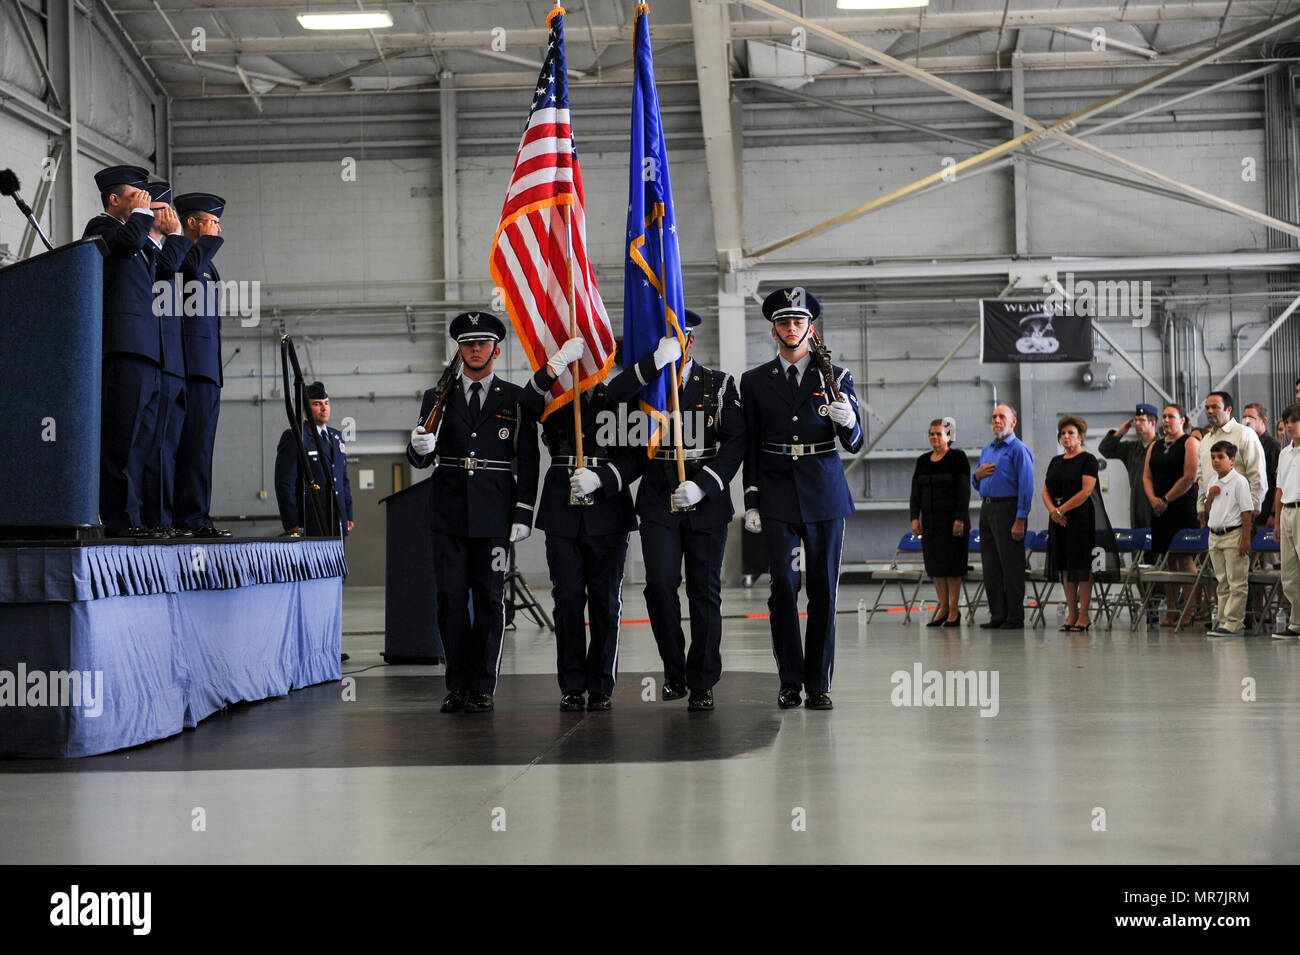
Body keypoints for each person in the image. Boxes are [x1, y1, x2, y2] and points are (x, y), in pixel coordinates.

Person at [606, 310, 745, 710]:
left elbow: (735, 443)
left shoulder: (718, 385)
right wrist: (652, 364)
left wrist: (704, 487)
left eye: (679, 338)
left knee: (705, 592)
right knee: (661, 586)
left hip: (706, 502)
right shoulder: (646, 383)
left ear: (691, 341)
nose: (674, 345)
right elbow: (613, 394)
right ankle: (674, 670)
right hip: (657, 497)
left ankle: (702, 680)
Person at [407, 313, 540, 714]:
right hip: (448, 514)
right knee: (449, 600)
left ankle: (483, 685)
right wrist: (419, 446)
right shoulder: (436, 397)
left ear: (496, 350)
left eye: (482, 343)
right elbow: (418, 458)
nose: (475, 349)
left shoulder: (514, 398)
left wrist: (523, 513)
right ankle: (457, 684)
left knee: (489, 599)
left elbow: (529, 461)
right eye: (468, 344)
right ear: (459, 350)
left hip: (495, 518)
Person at [740, 287, 863, 710]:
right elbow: (751, 445)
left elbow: (855, 442)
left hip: (824, 493)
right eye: (783, 322)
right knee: (783, 589)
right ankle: (790, 680)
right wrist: (751, 500)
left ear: (811, 327)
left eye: (798, 321)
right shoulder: (755, 381)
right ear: (773, 329)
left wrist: (847, 420)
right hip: (775, 493)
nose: (791, 328)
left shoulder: (836, 376)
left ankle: (819, 683)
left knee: (824, 590)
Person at [518, 334, 641, 713]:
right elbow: (524, 404)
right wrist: (553, 366)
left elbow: (640, 455)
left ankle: (601, 685)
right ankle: (572, 685)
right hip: (561, 508)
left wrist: (603, 480)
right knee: (567, 601)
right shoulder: (556, 395)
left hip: (608, 508)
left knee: (606, 603)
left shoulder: (623, 399)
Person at [83, 165, 163, 538]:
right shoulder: (102, 229)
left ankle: (135, 517)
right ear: (114, 200)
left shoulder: (137, 235)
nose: (145, 203)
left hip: (144, 349)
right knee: (120, 442)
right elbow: (127, 244)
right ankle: (116, 520)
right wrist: (143, 216)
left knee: (140, 444)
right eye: (137, 196)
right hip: (121, 347)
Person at [172, 192, 231, 537]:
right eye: (212, 222)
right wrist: (206, 241)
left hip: (208, 368)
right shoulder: (183, 255)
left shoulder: (206, 262)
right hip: (189, 365)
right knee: (188, 444)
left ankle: (198, 516)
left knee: (202, 448)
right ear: (192, 223)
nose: (219, 230)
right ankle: (185, 518)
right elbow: (188, 269)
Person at [142, 180, 194, 538]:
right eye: (166, 210)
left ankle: (167, 516)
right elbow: (164, 268)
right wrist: (177, 235)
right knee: (150, 446)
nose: (173, 217)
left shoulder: (166, 253)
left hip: (171, 361)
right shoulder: (150, 252)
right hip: (151, 360)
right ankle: (151, 517)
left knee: (169, 447)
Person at [1042, 416, 1115, 631]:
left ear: (1080, 437)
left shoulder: (1088, 460)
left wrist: (1061, 509)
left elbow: (1086, 491)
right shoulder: (1056, 461)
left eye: (1071, 433)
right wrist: (1053, 511)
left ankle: (1084, 615)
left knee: (1082, 566)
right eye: (1063, 433)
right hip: (1058, 518)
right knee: (1065, 566)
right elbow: (1046, 489)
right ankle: (1071, 614)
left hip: (1080, 517)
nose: (1066, 437)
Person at [971, 404, 1034, 629]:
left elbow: (1026, 486)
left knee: (1011, 566)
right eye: (994, 416)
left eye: (1002, 416)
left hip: (1009, 510)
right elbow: (977, 481)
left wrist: (1020, 518)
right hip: (987, 509)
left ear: (1013, 422)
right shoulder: (988, 450)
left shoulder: (1018, 449)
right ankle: (997, 615)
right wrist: (976, 476)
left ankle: (1014, 617)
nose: (996, 420)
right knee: (991, 566)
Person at [1143, 404, 1201, 626]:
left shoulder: (1190, 443)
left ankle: (1190, 610)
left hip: (1180, 507)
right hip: (1159, 508)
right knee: (1168, 560)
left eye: (1171, 416)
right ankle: (1172, 610)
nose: (1166, 420)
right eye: (1164, 417)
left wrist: (1166, 499)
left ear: (1183, 420)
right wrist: (1153, 500)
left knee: (1184, 558)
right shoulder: (1155, 446)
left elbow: (1190, 476)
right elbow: (1146, 477)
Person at [909, 416, 969, 627]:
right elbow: (915, 493)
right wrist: (914, 517)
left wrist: (960, 519)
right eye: (932, 434)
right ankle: (942, 607)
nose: (935, 437)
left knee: (952, 566)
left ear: (948, 437)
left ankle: (954, 610)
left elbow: (964, 492)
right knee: (936, 566)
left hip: (953, 520)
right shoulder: (923, 461)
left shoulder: (958, 457)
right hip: (931, 522)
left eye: (939, 434)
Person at [274, 381, 354, 538]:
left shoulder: (337, 437)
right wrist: (292, 521)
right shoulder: (296, 436)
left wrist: (348, 513)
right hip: (311, 519)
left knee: (338, 561)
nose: (324, 408)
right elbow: (284, 483)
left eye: (326, 403)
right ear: (305, 409)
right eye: (317, 404)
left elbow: (343, 479)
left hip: (337, 518)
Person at [1201, 440, 1253, 637]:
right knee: (1221, 581)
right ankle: (1223, 620)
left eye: (1220, 457)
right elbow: (1207, 510)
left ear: (1231, 460)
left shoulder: (1239, 481)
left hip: (1233, 534)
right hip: (1214, 535)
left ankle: (1234, 623)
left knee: (1236, 581)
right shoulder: (1212, 481)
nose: (1215, 461)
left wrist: (1245, 539)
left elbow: (1247, 512)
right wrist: (1210, 498)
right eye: (1213, 457)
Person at [1197, 391, 1265, 521]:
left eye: (1215, 407)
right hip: (1213, 513)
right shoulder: (1206, 439)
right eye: (1207, 408)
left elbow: (1257, 474)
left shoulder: (1244, 434)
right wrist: (1201, 506)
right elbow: (1202, 477)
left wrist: (1253, 507)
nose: (1209, 411)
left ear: (1228, 409)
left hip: (1239, 512)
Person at [1098, 403, 1159, 530]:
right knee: (1137, 541)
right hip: (1136, 501)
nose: (1137, 423)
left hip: (1155, 501)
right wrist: (1120, 432)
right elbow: (1105, 450)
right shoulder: (1131, 448)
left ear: (1153, 423)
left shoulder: (1162, 447)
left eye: (1141, 420)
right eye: (1136, 420)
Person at [1271, 403, 1300, 639]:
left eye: (1294, 420)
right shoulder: (1284, 453)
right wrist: (1277, 521)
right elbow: (1279, 489)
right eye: (1286, 421)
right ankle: (1296, 622)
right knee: (1289, 573)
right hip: (1287, 511)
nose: (1289, 425)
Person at [1242, 404, 1280, 529]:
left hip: (1265, 509)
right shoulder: (1243, 443)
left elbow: (1277, 483)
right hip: (1245, 508)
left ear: (1263, 421)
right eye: (1244, 417)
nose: (1246, 421)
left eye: (1251, 418)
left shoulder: (1273, 445)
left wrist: (1274, 514)